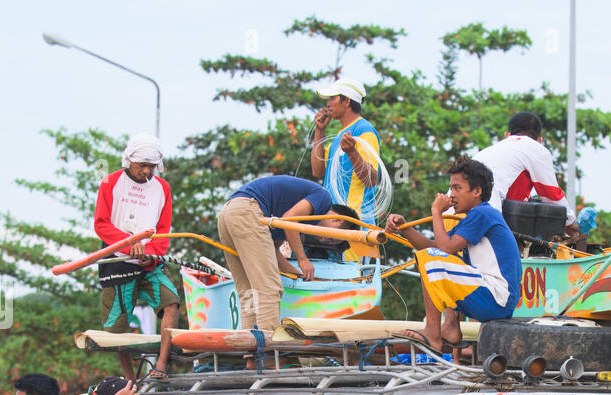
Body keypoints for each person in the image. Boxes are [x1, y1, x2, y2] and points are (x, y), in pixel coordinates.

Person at [385, 157, 522, 355]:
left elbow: (442, 249)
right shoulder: (474, 217)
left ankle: (433, 333)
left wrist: (436, 211)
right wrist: (404, 228)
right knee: (434, 258)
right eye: (451, 188)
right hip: (494, 299)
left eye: (457, 188)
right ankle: (449, 326)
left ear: (477, 191)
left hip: (496, 298)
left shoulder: (482, 214)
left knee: (433, 258)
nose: (451, 194)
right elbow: (435, 246)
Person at [217, 175, 357, 337]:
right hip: (247, 211)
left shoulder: (293, 218)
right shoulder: (323, 198)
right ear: (338, 220)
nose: (323, 238)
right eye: (331, 236)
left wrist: (297, 274)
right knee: (269, 289)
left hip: (228, 213)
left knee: (249, 292)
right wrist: (302, 260)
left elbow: (273, 252)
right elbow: (289, 219)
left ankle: (251, 354)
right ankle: (266, 353)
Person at [94, 133, 181, 380]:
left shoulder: (163, 188)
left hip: (149, 264)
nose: (146, 171)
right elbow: (101, 225)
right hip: (117, 263)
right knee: (115, 330)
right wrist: (128, 243)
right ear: (128, 160)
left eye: (151, 166)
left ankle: (161, 367)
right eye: (142, 165)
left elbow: (163, 231)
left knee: (171, 303)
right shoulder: (110, 183)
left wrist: (151, 255)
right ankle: (131, 379)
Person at [473, 111, 579, 240]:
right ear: (539, 140)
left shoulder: (486, 151)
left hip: (453, 216)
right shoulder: (535, 148)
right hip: (487, 219)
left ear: (507, 135)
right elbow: (550, 194)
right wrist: (572, 222)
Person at [310, 78, 382, 226]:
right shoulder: (338, 138)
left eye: (332, 98)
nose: (328, 104)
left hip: (355, 223)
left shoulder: (363, 130)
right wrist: (319, 130)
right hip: (334, 223)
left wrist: (352, 152)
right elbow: (318, 172)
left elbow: (371, 179)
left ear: (347, 100)